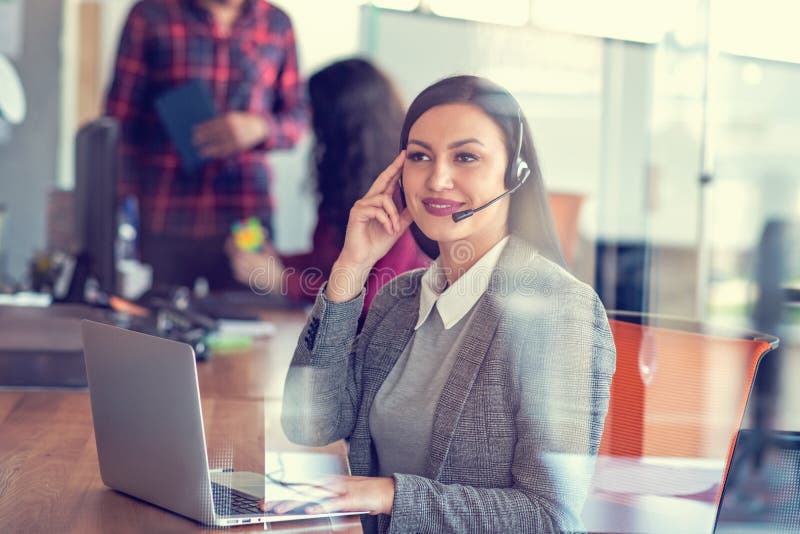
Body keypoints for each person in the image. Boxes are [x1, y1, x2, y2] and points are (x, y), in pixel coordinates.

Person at [274, 75, 617, 533]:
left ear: (514, 174)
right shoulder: (400, 297)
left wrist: (387, 495)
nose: (437, 179)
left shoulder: (558, 311)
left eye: (466, 157)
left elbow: (548, 517)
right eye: (419, 156)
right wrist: (350, 268)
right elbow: (310, 424)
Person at [106, 0, 306, 289]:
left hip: (245, 219)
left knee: (249, 325)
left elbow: (299, 116)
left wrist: (261, 127)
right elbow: (121, 123)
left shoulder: (277, 24)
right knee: (155, 327)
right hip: (165, 215)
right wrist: (120, 213)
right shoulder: (150, 15)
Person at [226, 58, 428, 313]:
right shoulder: (344, 182)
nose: (312, 135)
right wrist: (272, 260)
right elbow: (327, 265)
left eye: (318, 122)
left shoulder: (403, 197)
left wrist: (282, 280)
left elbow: (371, 299)